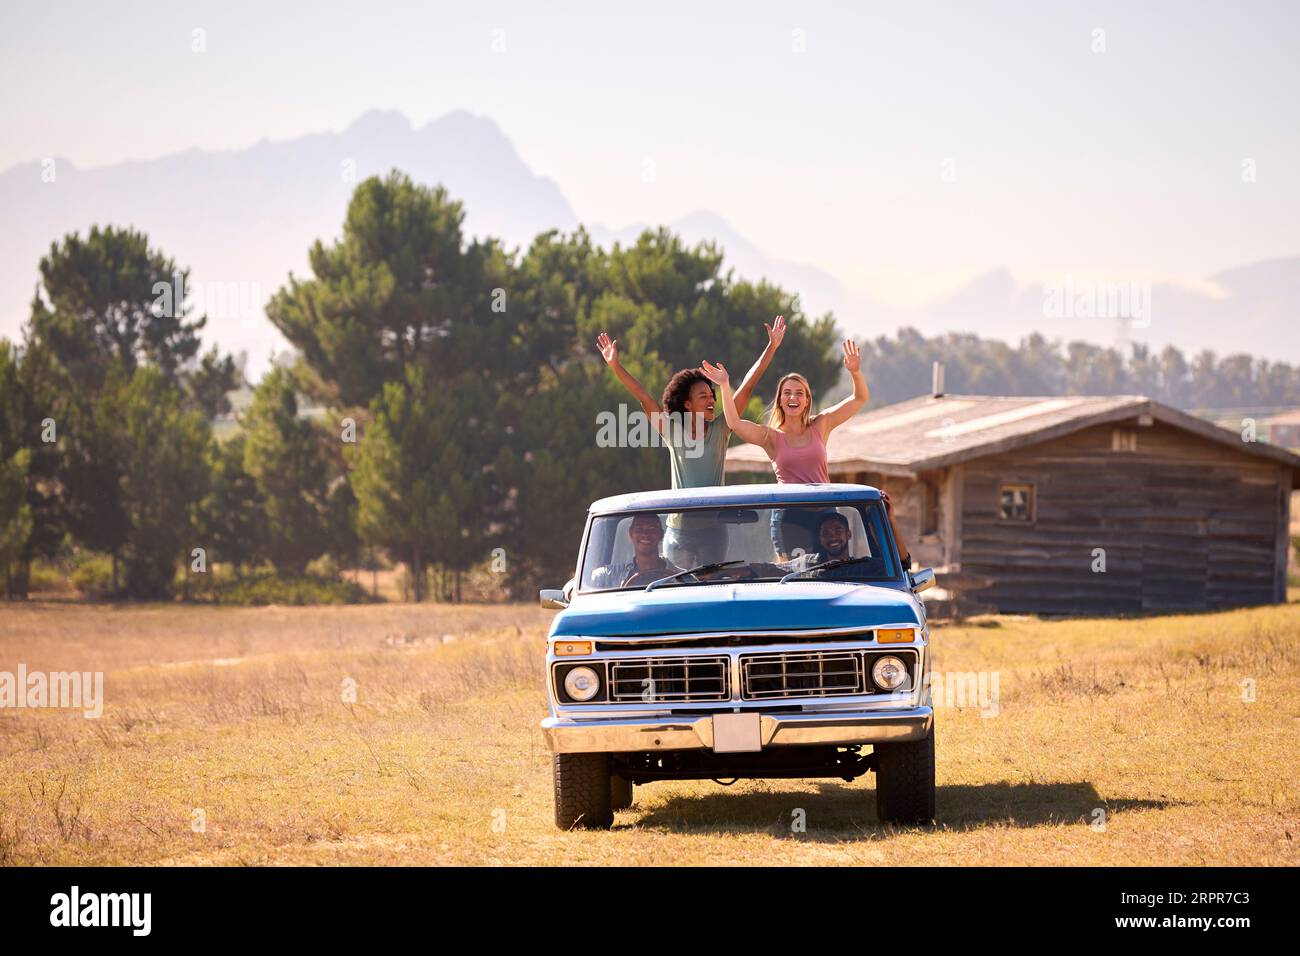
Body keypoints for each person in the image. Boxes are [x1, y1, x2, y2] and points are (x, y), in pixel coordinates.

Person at [597, 317, 786, 566]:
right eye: (703, 396)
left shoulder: (722, 428)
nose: (712, 401)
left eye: (712, 395)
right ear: (687, 405)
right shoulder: (672, 430)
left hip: (714, 531)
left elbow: (748, 386)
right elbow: (643, 397)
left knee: (710, 586)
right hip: (678, 532)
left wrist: (770, 348)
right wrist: (615, 365)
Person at [700, 339, 869, 558]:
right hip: (789, 517)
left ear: (807, 400)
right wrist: (724, 385)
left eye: (799, 393)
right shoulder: (771, 436)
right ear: (780, 399)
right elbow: (734, 423)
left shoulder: (821, 424)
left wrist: (855, 372)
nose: (793, 397)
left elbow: (859, 398)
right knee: (792, 574)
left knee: (831, 572)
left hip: (825, 513)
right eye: (787, 392)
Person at [590, 513, 683, 589]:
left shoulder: (682, 577)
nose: (645, 534)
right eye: (639, 529)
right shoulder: (609, 576)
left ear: (661, 534)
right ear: (631, 533)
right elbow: (590, 580)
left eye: (652, 529)